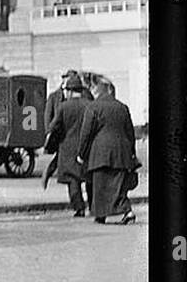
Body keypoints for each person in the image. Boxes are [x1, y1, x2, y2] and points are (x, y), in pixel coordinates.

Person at [74, 77, 139, 224]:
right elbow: (130, 133)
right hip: (122, 153)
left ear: (98, 92)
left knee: (100, 186)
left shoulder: (93, 107)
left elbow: (86, 133)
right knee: (118, 186)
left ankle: (101, 215)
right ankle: (127, 211)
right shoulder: (122, 107)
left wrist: (81, 153)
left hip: (100, 154)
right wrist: (132, 153)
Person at [43, 70, 92, 216]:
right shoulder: (90, 105)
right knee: (89, 178)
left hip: (68, 148)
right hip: (87, 147)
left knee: (73, 180)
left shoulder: (64, 107)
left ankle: (79, 208)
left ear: (70, 92)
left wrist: (50, 144)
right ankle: (94, 206)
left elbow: (53, 127)